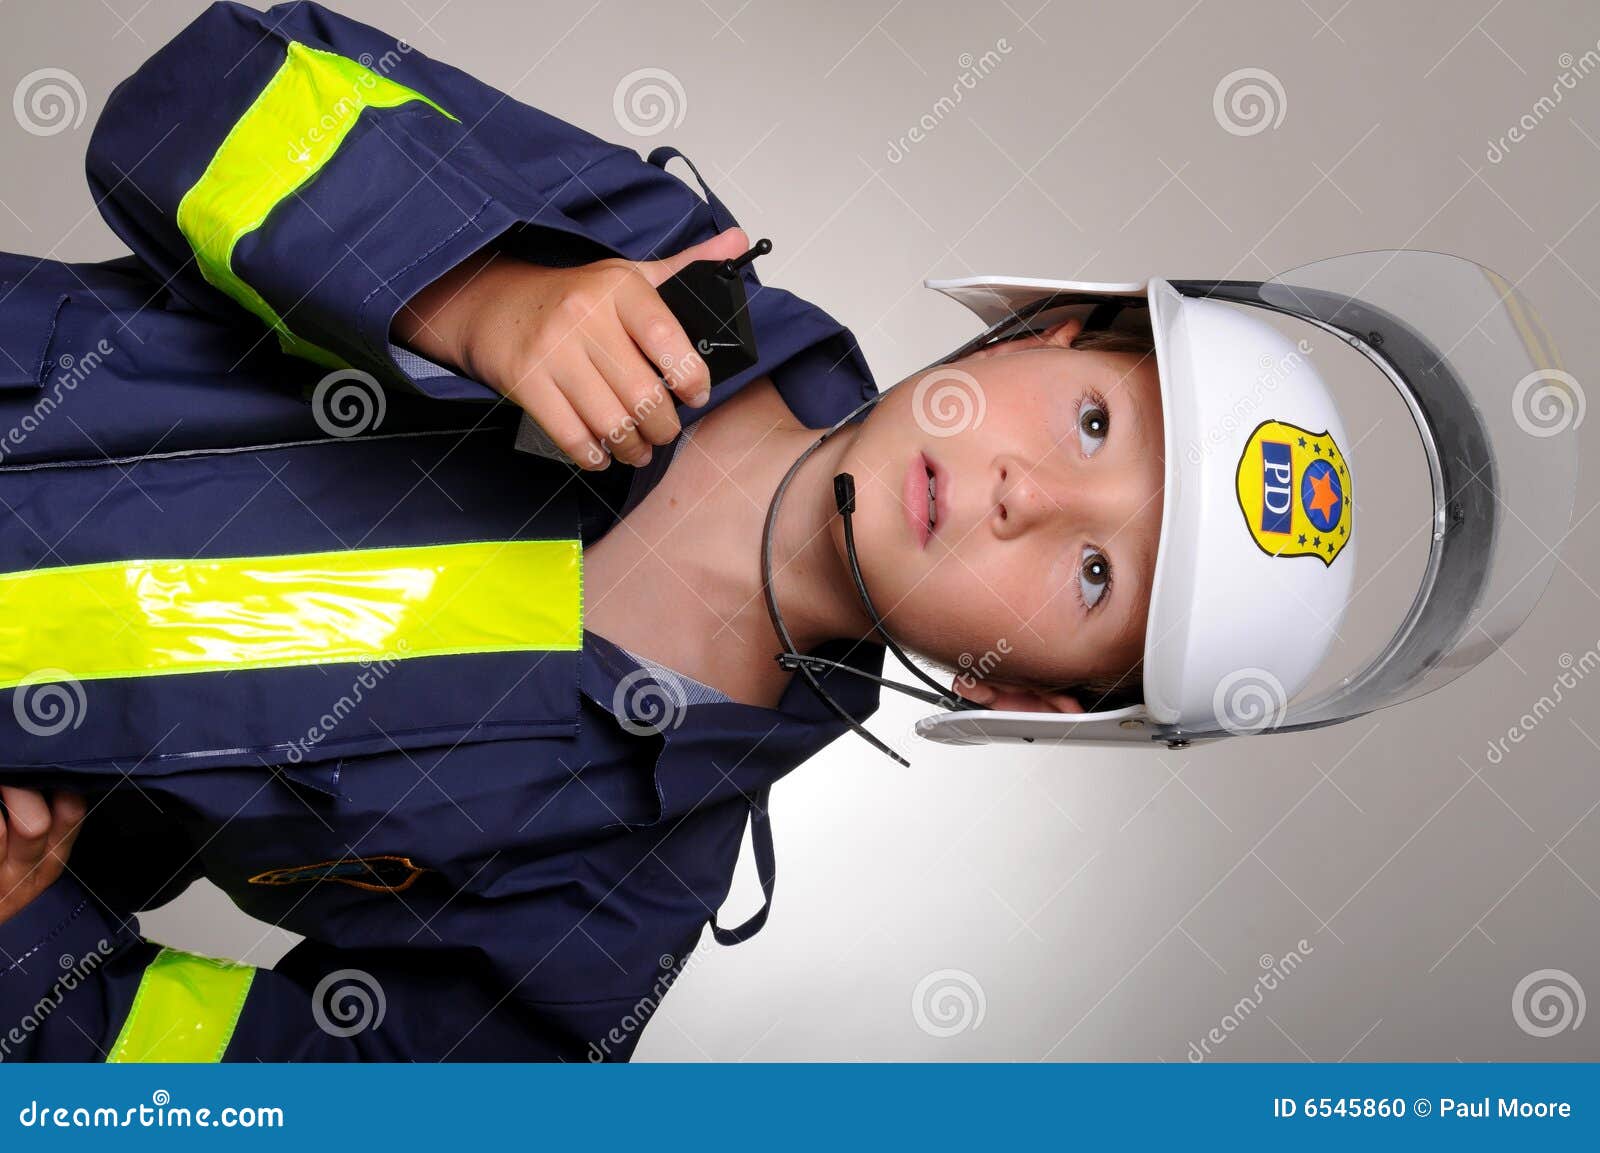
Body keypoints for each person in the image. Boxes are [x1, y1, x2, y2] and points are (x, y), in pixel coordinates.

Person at [0, 1, 1163, 1062]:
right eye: (1094, 423)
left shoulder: (621, 901)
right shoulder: (649, 259)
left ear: (1021, 699)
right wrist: (469, 295)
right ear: (1041, 334)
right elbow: (189, 104)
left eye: (1094, 572)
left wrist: (25, 934)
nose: (1027, 495)